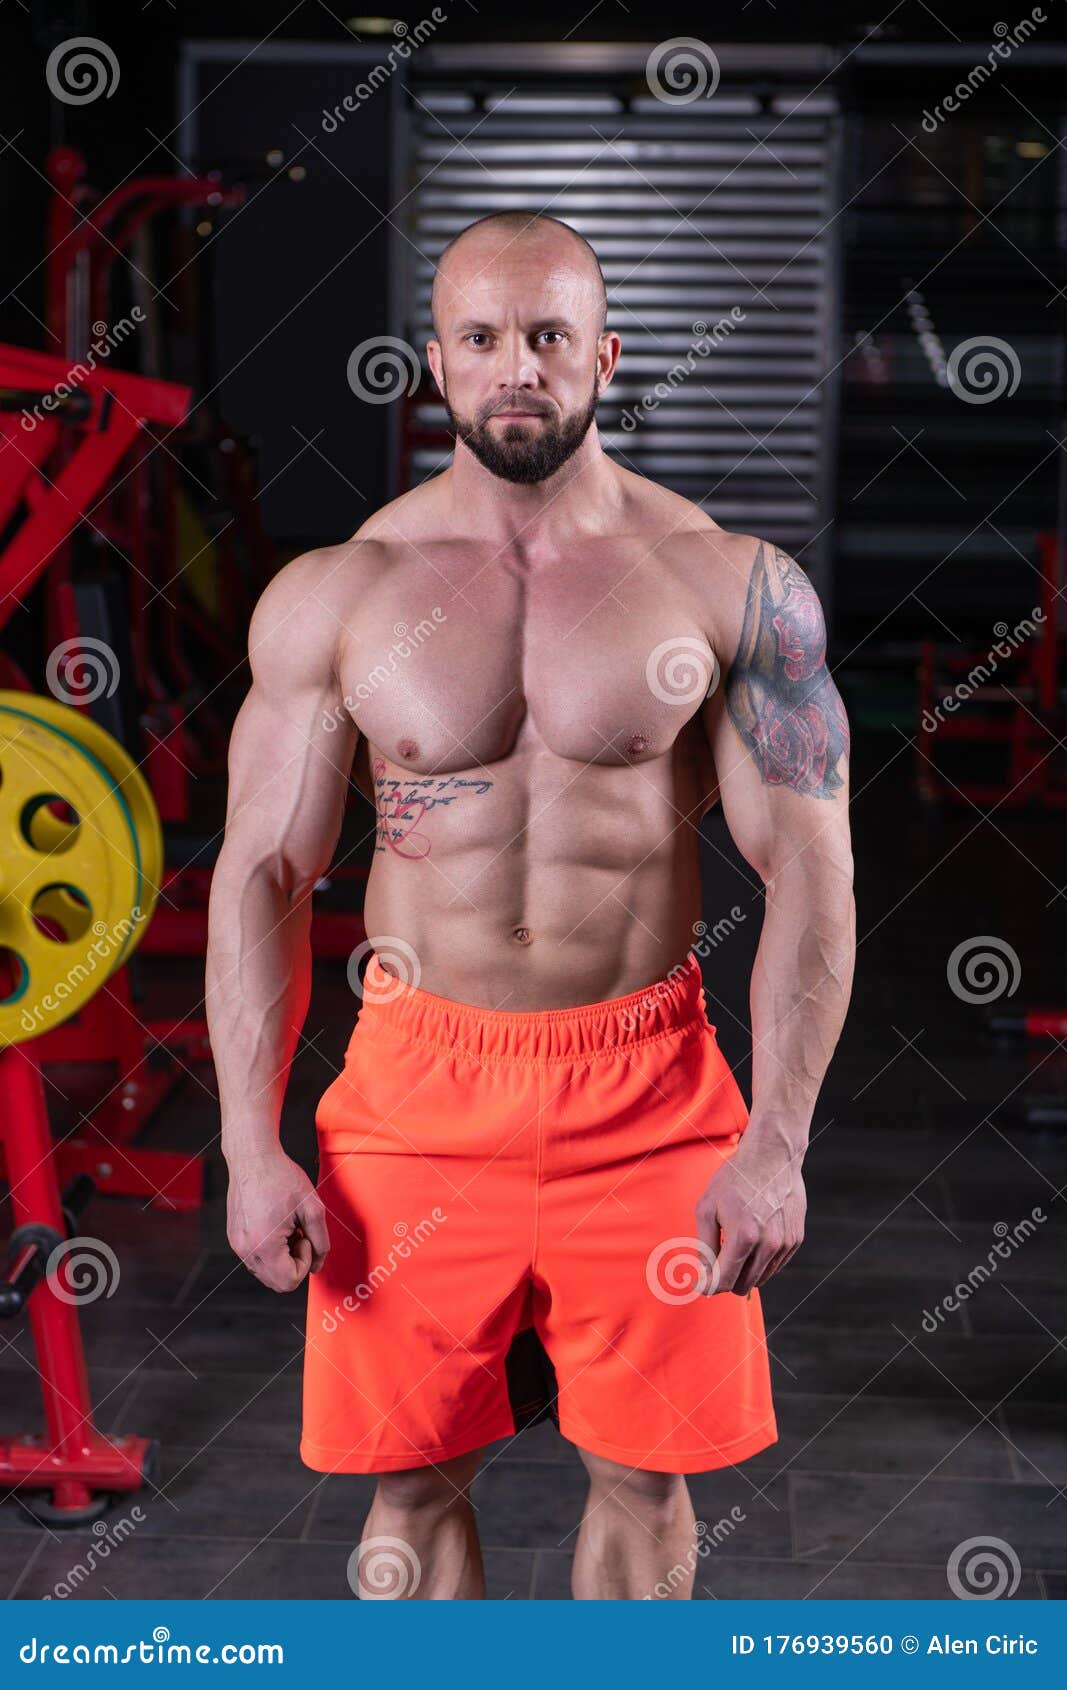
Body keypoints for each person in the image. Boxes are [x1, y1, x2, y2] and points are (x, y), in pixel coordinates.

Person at [206, 211, 855, 1601]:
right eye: (485, 339)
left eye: (550, 337)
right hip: (413, 1088)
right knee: (410, 1472)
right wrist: (247, 1145)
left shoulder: (726, 585)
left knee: (647, 1475)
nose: (519, 368)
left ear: (606, 356)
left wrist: (779, 1140)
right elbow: (263, 870)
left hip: (649, 1091)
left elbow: (810, 865)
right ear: (433, 363)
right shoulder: (339, 595)